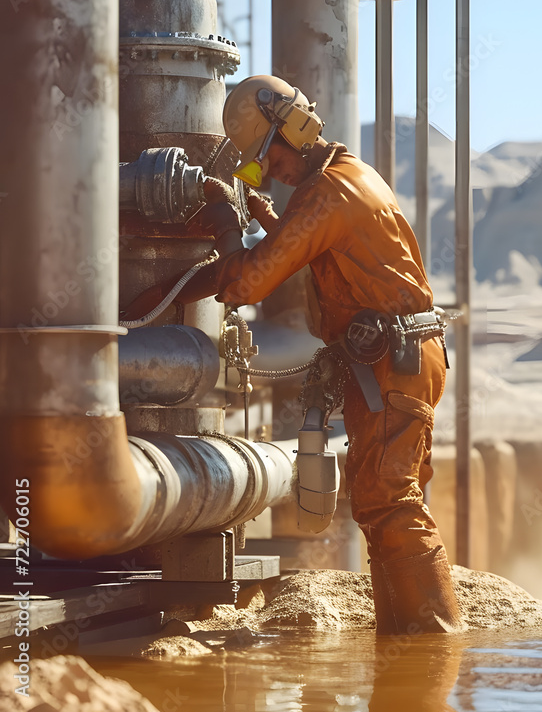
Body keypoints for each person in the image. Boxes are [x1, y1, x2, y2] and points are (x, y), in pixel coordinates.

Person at [123, 75, 464, 635]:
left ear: (296, 128)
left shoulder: (328, 191)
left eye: (270, 156)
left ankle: (434, 645)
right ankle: (402, 645)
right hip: (394, 358)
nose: (270, 172)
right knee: (378, 502)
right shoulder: (345, 177)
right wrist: (261, 227)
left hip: (395, 360)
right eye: (258, 165)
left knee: (390, 502)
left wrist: (225, 224)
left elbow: (249, 282)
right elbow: (316, 252)